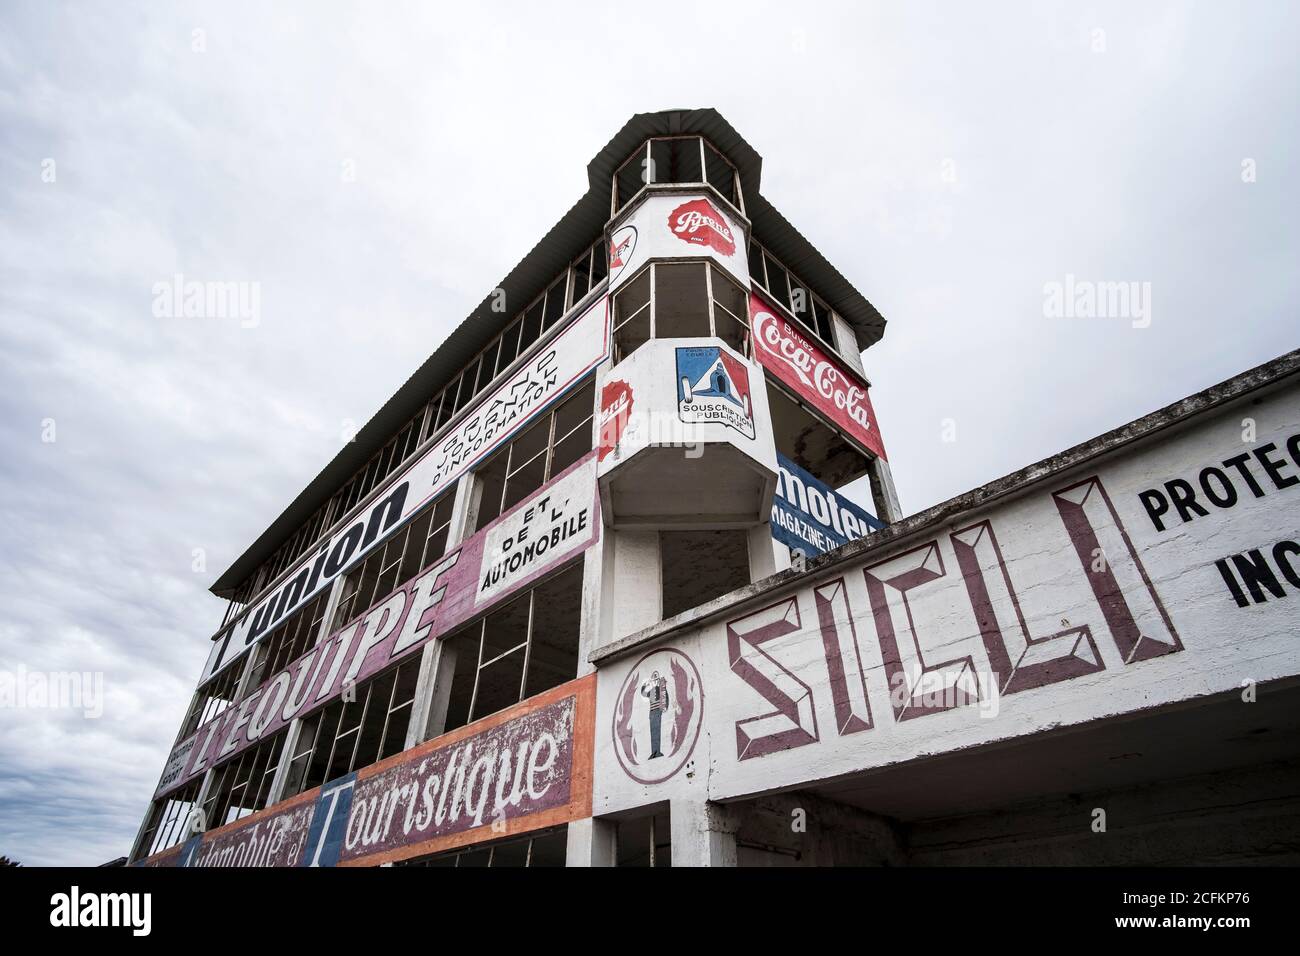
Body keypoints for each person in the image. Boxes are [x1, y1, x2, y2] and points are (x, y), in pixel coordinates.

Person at [640, 670, 670, 758]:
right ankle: (654, 752)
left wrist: (665, 708)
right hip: (652, 712)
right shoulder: (652, 690)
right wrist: (645, 685)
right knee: (653, 732)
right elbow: (644, 693)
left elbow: (666, 697)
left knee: (657, 731)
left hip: (657, 711)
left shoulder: (660, 689)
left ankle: (657, 752)